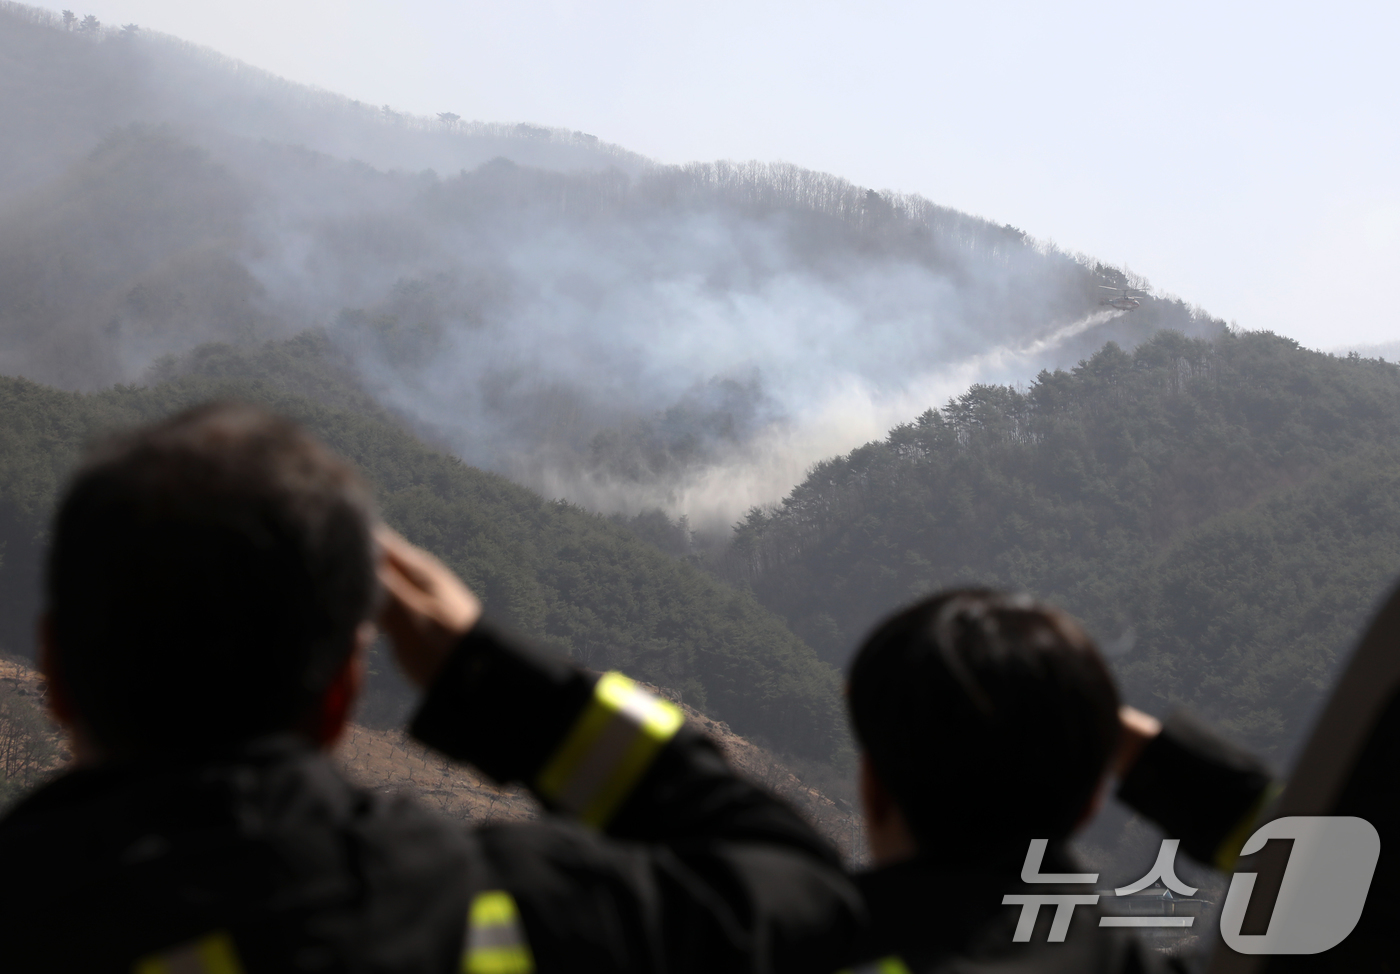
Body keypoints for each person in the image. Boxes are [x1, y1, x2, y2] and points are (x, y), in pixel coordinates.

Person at [0, 402, 861, 972]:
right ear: (343, 690)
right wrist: (499, 687)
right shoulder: (485, 911)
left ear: (58, 675)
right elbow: (805, 893)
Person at [837, 588, 1273, 973]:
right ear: (1092, 802)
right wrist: (1094, 723)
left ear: (874, 791)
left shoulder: (791, 951)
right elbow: (1316, 865)